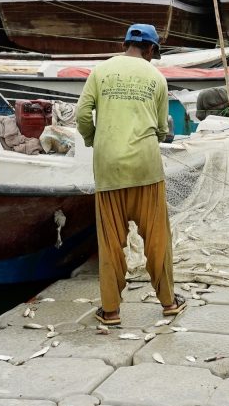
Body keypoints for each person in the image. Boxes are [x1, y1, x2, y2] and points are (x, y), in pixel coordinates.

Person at [76, 23, 185, 325]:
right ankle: (169, 302)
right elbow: (163, 129)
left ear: (124, 44)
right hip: (146, 167)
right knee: (157, 238)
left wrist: (94, 139)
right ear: (151, 50)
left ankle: (110, 311)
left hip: (109, 168)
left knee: (110, 241)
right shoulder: (157, 78)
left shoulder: (100, 72)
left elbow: (82, 115)